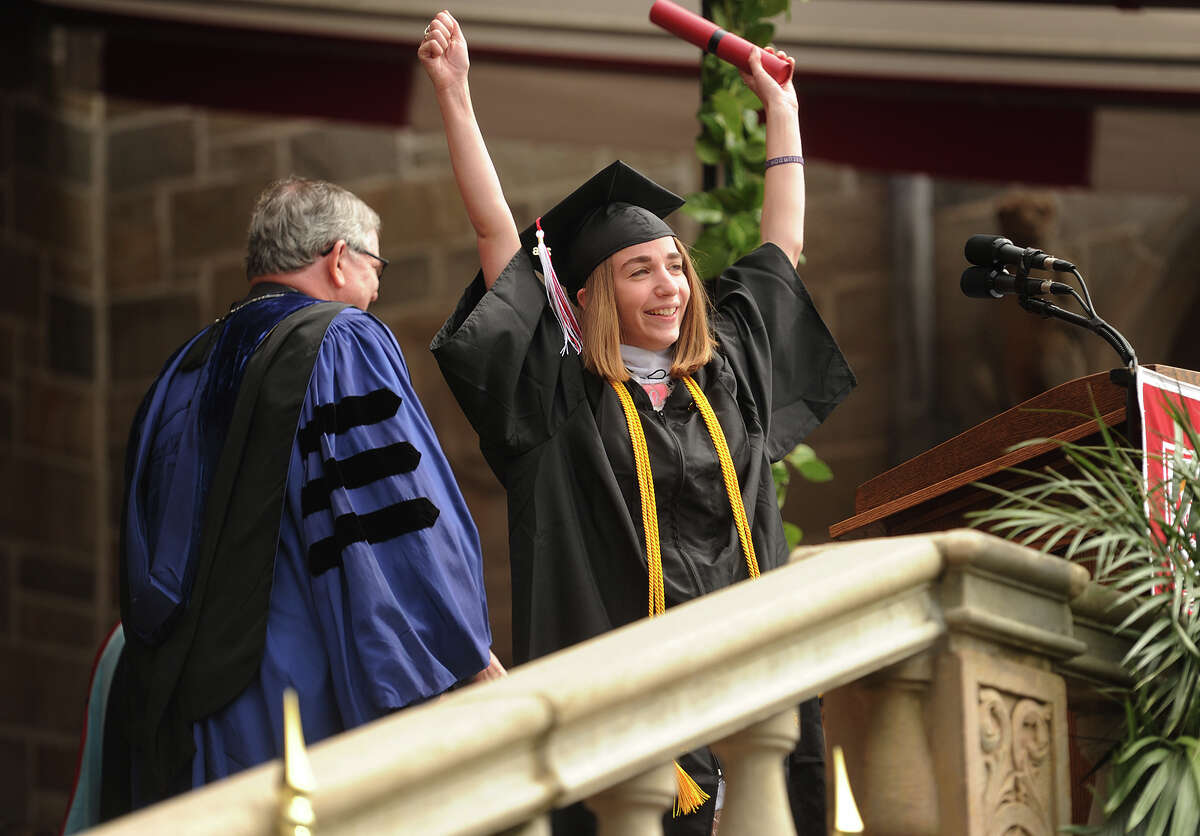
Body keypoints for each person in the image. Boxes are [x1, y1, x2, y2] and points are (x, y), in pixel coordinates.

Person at [419, 10, 854, 836]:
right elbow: (496, 239)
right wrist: (455, 94)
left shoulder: (729, 373)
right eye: (639, 271)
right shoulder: (556, 398)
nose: (671, 286)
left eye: (676, 267)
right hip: (629, 700)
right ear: (593, 297)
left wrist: (785, 112)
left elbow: (783, 249)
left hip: (747, 682)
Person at [103, 176, 503, 816]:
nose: (376, 289)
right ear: (340, 259)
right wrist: (462, 650)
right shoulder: (340, 339)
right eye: (376, 267)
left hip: (192, 703)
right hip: (301, 686)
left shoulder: (187, 362)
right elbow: (393, 515)